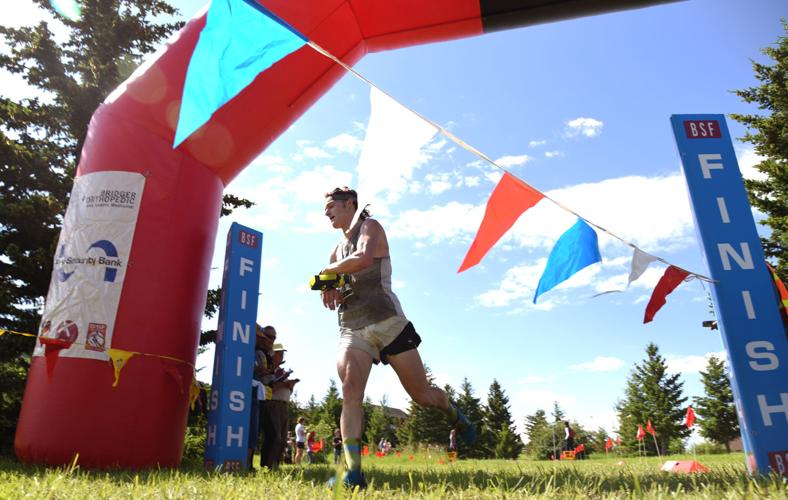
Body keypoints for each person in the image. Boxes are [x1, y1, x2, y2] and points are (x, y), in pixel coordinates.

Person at [319, 186, 476, 488]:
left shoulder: (370, 226)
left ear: (349, 204)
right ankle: (353, 473)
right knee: (351, 390)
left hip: (388, 323)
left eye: (331, 207)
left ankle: (455, 414)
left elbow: (364, 259)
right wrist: (329, 289)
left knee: (423, 396)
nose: (327, 213)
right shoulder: (334, 251)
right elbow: (335, 288)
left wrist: (327, 272)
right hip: (353, 327)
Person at [261, 343, 299, 470]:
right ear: (272, 354)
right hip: (272, 404)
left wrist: (290, 386)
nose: (282, 355)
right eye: (279, 353)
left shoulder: (282, 372)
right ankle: (267, 466)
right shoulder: (268, 369)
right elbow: (269, 387)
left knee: (283, 439)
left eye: (283, 353)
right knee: (275, 436)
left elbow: (285, 390)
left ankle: (275, 466)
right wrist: (284, 385)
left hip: (283, 405)